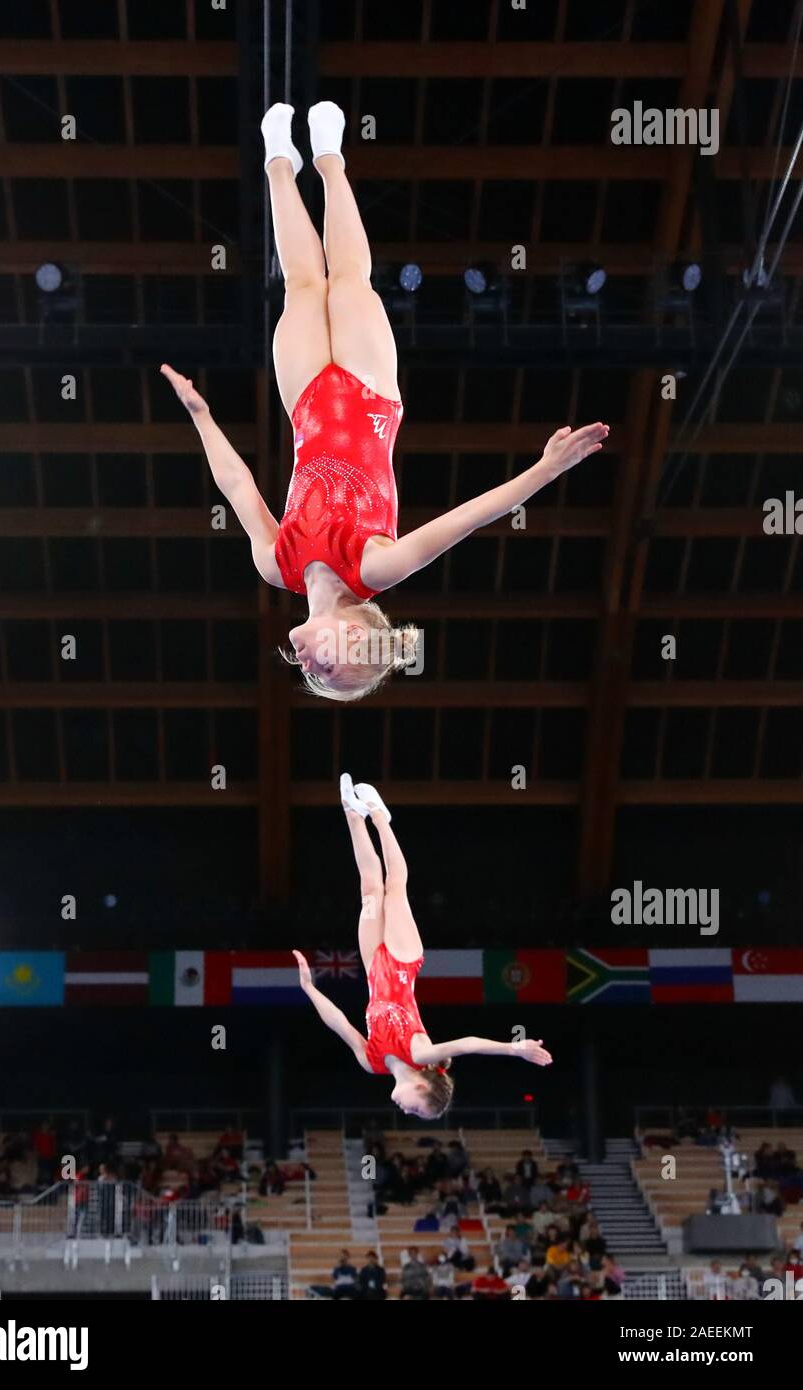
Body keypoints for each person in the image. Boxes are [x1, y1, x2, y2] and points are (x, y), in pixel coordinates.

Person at [162, 102, 609, 704]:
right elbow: (469, 518)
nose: (311, 670)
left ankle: (276, 163)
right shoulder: (373, 570)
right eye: (330, 669)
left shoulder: (278, 567)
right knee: (348, 277)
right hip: (369, 393)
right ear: (351, 634)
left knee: (299, 284)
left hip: (306, 400)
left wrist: (202, 418)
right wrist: (545, 469)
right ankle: (328, 159)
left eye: (314, 680)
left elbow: (237, 488)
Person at [293, 777, 552, 1119]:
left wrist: (310, 989)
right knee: (394, 889)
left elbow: (339, 1024)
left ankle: (352, 814)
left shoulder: (372, 1064)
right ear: (423, 1087)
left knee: (370, 890)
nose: (407, 1111)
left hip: (374, 965)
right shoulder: (422, 1054)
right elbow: (466, 1044)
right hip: (402, 961)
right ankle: (380, 817)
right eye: (417, 1110)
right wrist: (513, 1048)